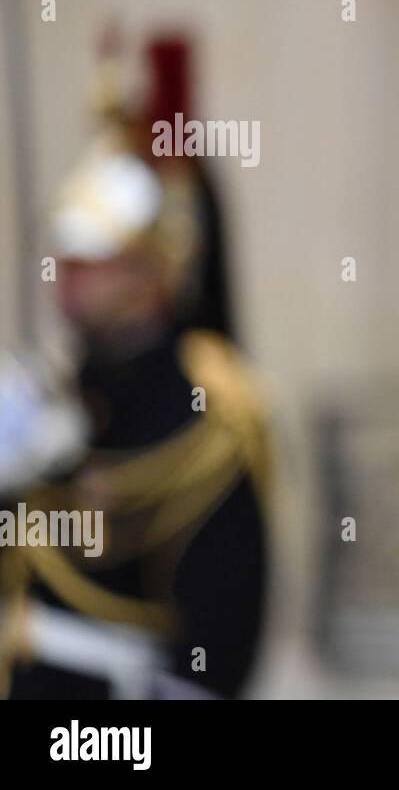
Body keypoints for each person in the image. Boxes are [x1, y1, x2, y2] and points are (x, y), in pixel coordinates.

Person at [0, 133, 271, 699]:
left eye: (95, 263)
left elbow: (221, 616)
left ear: (151, 272)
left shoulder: (203, 409)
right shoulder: (57, 389)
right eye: (66, 261)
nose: (70, 281)